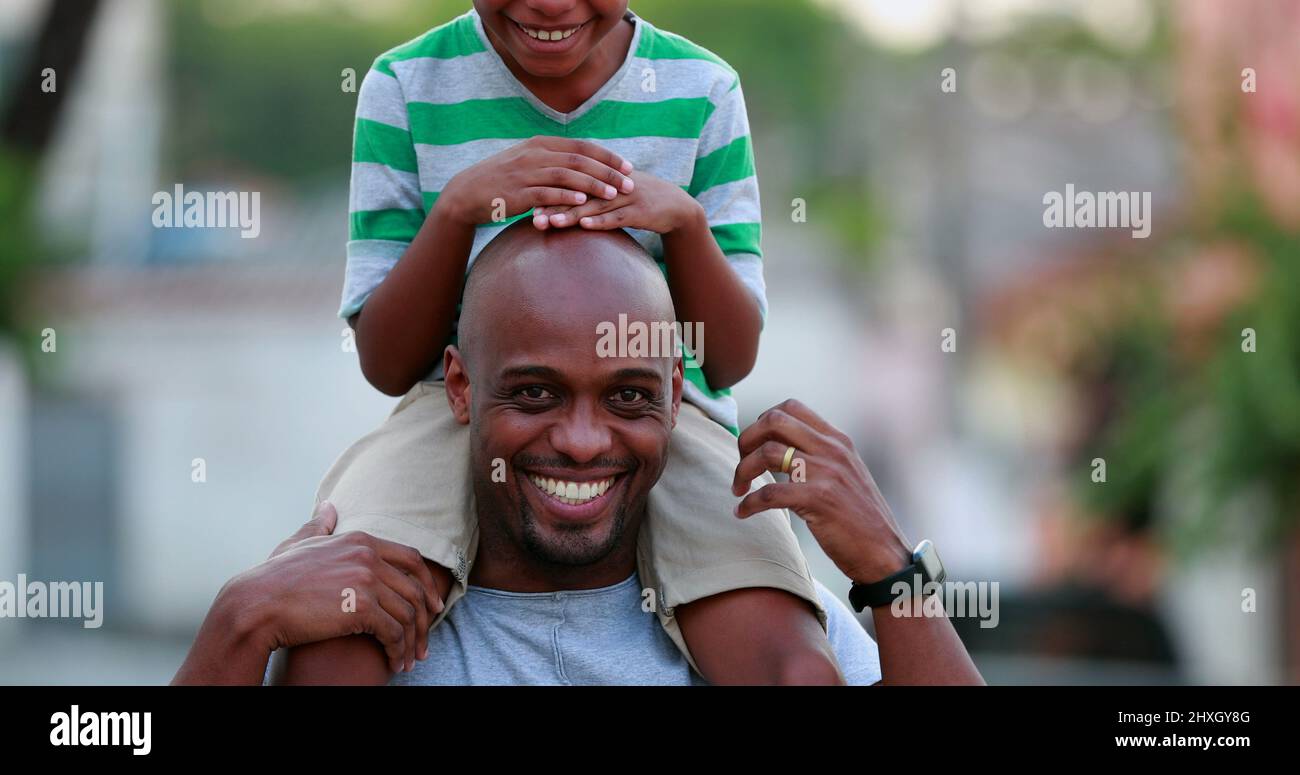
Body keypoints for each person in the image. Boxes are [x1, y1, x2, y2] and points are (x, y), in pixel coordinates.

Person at [174, 223, 984, 686]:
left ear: (676, 391)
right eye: (534, 393)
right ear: (458, 386)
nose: (584, 440)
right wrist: (236, 625)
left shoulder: (769, 619)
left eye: (629, 395)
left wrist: (891, 570)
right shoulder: (364, 628)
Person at [325, 0, 831, 682]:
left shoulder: (702, 91)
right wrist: (457, 209)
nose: (551, 5)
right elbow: (387, 363)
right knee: (337, 628)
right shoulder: (406, 86)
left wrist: (683, 226)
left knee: (791, 662)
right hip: (457, 411)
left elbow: (729, 357)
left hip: (662, 418)